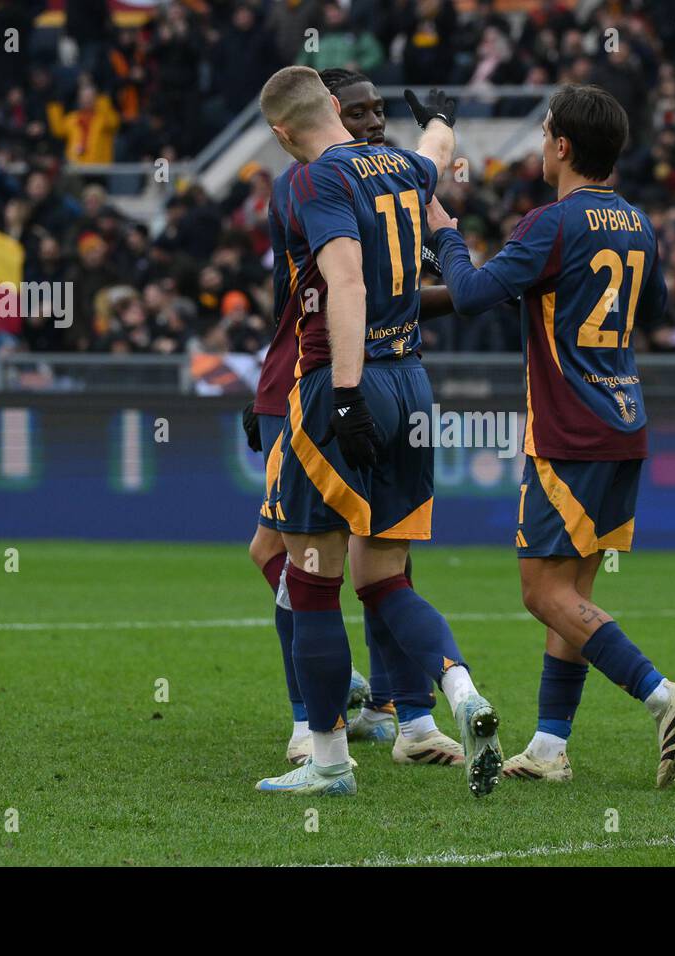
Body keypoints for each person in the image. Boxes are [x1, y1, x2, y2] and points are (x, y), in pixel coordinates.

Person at [427, 85, 675, 789]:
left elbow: (470, 294)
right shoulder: (637, 222)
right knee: (573, 592)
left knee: (541, 592)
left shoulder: (550, 223)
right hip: (624, 421)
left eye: (545, 131)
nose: (541, 143)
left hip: (569, 430)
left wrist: (444, 233)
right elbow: (658, 306)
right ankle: (550, 746)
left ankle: (659, 694)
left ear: (562, 147)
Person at [253, 66, 503, 798]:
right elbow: (434, 147)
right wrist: (444, 116)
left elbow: (348, 283)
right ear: (334, 106)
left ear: (279, 134)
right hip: (415, 386)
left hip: (345, 379)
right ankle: (460, 695)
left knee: (313, 579)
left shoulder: (311, 182)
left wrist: (348, 395)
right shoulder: (402, 166)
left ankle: (328, 760)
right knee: (386, 577)